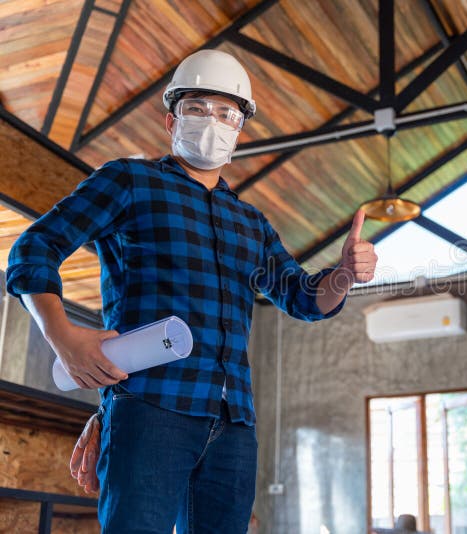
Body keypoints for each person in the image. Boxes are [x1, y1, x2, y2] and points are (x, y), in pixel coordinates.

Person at [5, 49, 377, 533]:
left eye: (227, 113)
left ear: (240, 128)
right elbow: (35, 246)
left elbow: (305, 297)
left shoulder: (252, 222)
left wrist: (343, 274)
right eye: (197, 108)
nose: (213, 122)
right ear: (170, 119)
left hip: (234, 422)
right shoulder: (129, 182)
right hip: (151, 408)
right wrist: (64, 338)